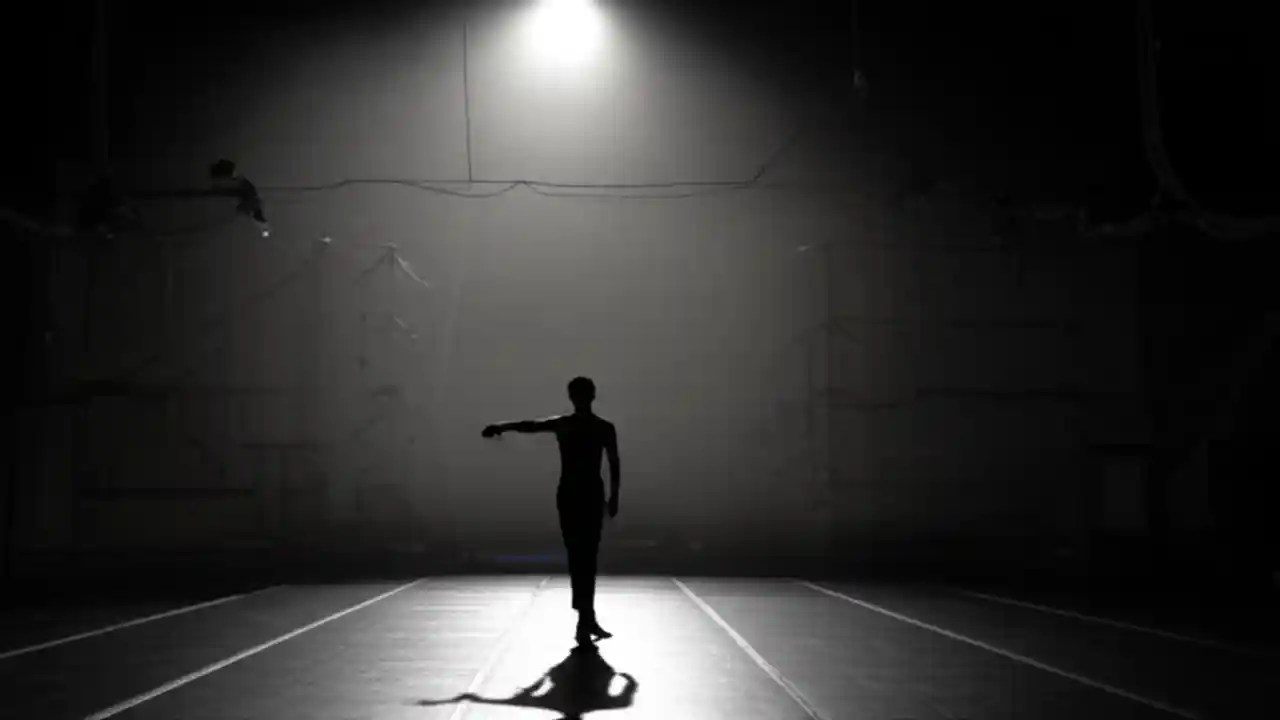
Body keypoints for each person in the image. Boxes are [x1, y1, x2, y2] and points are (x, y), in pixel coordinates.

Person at [482, 377, 620, 644]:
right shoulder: (601, 427)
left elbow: (530, 426)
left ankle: (585, 617)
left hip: (572, 493)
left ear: (572, 396)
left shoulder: (568, 424)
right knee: (585, 556)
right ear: (592, 395)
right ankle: (585, 617)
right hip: (587, 493)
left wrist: (502, 426)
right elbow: (614, 464)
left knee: (578, 556)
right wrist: (614, 497)